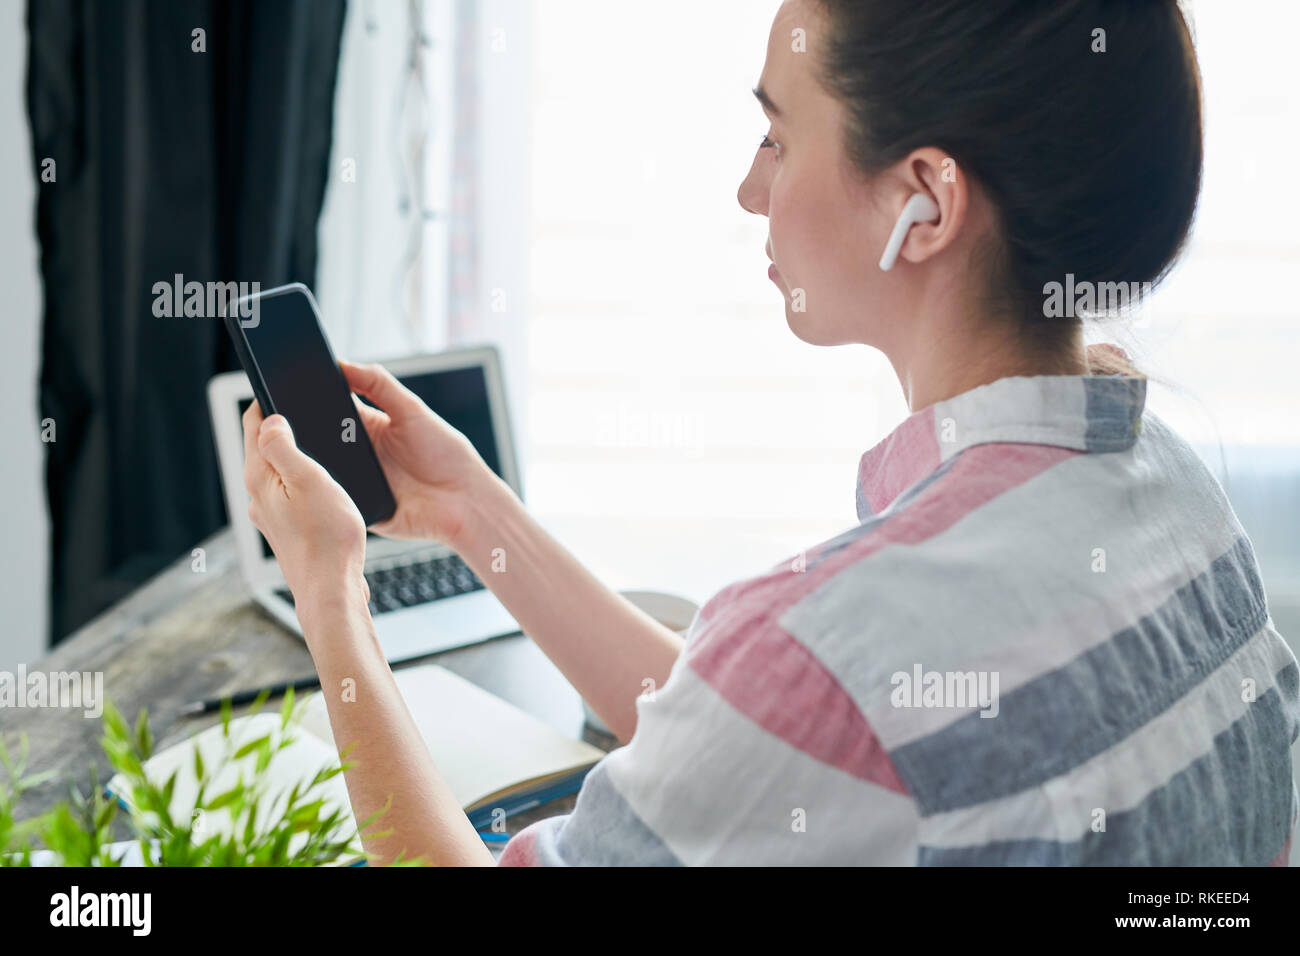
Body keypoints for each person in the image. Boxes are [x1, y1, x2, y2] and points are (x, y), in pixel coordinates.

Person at [242, 0, 1298, 866]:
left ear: (925, 206)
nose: (750, 189)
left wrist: (330, 593)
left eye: (777, 138)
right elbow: (772, 739)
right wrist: (473, 510)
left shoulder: (832, 642)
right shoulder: (1183, 504)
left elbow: (791, 705)